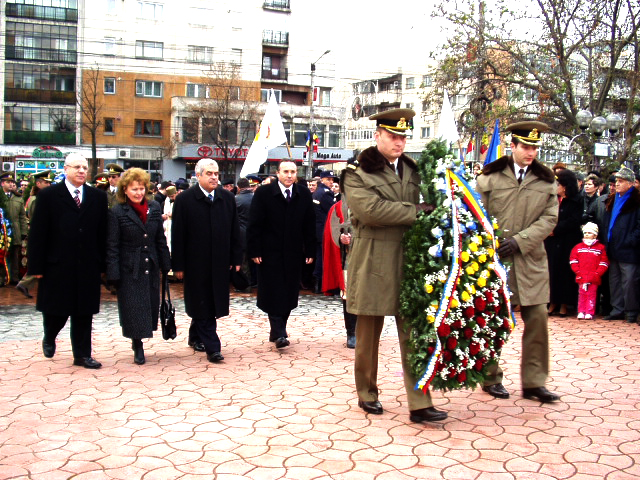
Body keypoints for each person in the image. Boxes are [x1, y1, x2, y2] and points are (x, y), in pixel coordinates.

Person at [342, 108, 447, 423]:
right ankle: (367, 393)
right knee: (368, 334)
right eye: (393, 136)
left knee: (414, 334)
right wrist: (416, 211)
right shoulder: (356, 172)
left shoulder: (413, 170)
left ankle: (419, 402)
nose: (399, 142)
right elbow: (371, 210)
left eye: (403, 136)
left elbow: (432, 202)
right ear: (378, 136)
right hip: (373, 258)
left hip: (409, 259)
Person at [476, 120, 560, 403]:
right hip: (496, 260)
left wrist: (521, 241)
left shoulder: (546, 180)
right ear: (512, 146)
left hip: (531, 259)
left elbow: (550, 218)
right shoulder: (491, 176)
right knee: (494, 320)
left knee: (537, 319)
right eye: (525, 146)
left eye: (535, 146)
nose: (531, 152)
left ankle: (534, 382)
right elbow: (476, 213)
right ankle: (490, 376)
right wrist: (493, 241)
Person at [27, 153, 108, 369]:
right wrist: (36, 266)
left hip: (87, 265)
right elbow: (38, 233)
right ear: (65, 169)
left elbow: (103, 233)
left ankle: (82, 355)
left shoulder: (97, 197)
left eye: (84, 167)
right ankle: (49, 335)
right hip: (57, 264)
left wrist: (103, 264)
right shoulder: (49, 196)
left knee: (84, 311)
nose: (82, 171)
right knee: (57, 310)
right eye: (76, 167)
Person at [171, 158, 242, 362]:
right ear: (198, 175)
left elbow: (234, 231)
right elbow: (178, 235)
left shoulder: (227, 198)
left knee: (209, 302)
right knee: (201, 301)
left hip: (220, 261)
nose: (213, 177)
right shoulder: (185, 200)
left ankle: (195, 337)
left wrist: (236, 257)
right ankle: (213, 346)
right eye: (209, 173)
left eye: (216, 174)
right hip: (195, 263)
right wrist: (178, 264)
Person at [247, 160, 315, 349]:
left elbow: (309, 224)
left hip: (293, 253)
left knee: (289, 293)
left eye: (293, 172)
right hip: (269, 253)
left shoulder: (303, 194)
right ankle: (279, 332)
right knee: (273, 292)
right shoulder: (264, 193)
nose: (289, 175)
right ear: (278, 173)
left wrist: (310, 250)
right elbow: (254, 224)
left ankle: (278, 330)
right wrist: (254, 250)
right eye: (285, 171)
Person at [106, 168, 171, 365]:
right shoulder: (117, 212)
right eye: (134, 189)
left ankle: (142, 338)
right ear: (125, 190)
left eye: (141, 188)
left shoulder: (154, 208)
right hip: (129, 267)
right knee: (133, 307)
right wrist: (113, 273)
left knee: (149, 305)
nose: (138, 193)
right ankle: (137, 344)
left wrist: (166, 263)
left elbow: (160, 239)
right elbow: (112, 245)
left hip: (150, 265)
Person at [600, 167, 640, 323]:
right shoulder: (612, 198)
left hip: (629, 249)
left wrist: (630, 241)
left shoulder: (636, 200)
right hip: (612, 246)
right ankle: (617, 309)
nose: (617, 184)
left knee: (629, 281)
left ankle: (631, 311)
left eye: (621, 181)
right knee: (614, 280)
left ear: (630, 183)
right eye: (617, 180)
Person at [545, 169, 583, 317]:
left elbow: (574, 220)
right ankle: (552, 301)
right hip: (551, 240)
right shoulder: (552, 199)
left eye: (558, 184)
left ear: (565, 186)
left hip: (567, 240)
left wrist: (556, 229)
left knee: (565, 272)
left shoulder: (576, 200)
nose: (556, 186)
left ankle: (564, 304)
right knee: (551, 270)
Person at [322, 198, 357, 348]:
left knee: (367, 296)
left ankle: (366, 332)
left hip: (368, 259)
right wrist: (340, 237)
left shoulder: (371, 205)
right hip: (348, 259)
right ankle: (352, 333)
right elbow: (331, 230)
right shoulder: (337, 208)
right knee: (348, 296)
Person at [16, 170, 52, 298]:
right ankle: (25, 283)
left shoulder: (35, 198)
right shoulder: (37, 199)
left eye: (49, 182)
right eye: (46, 182)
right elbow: (39, 219)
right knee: (42, 261)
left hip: (38, 232)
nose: (49, 185)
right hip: (39, 234)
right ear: (38, 183)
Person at [569, 222, 609, 319]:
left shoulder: (600, 248)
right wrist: (578, 272)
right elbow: (573, 260)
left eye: (589, 233)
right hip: (581, 276)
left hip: (594, 277)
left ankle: (589, 312)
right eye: (585, 232)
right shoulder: (578, 247)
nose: (587, 234)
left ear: (595, 235)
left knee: (592, 294)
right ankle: (581, 311)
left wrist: (597, 273)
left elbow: (604, 262)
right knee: (582, 294)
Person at [0, 173, 28, 286]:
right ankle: (2, 278)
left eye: (12, 182)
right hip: (2, 231)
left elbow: (22, 217)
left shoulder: (18, 198)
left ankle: (14, 278)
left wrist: (23, 232)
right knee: (2, 255)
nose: (11, 184)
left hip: (15, 230)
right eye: (8, 182)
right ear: (2, 183)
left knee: (15, 255)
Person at [312, 171, 337, 294]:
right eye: (328, 179)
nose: (331, 182)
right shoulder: (326, 193)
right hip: (323, 228)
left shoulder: (317, 192)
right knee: (323, 257)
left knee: (319, 255)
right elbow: (332, 211)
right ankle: (321, 284)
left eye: (332, 180)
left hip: (317, 228)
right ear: (322, 180)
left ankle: (317, 284)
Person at [235, 177, 254, 292]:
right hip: (255, 233)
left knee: (243, 260)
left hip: (241, 233)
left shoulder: (236, 199)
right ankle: (255, 282)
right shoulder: (256, 198)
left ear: (238, 187)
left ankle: (245, 284)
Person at [161, 185, 177, 253]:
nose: (171, 198)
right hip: (167, 225)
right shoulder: (165, 203)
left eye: (173, 196)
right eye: (170, 196)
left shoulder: (181, 202)